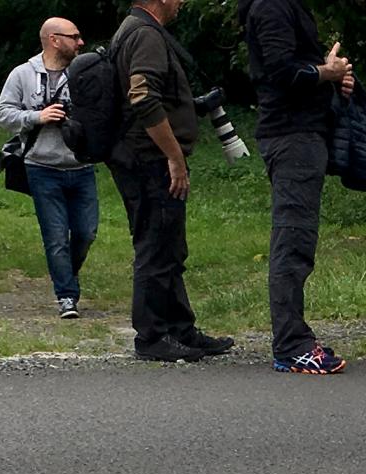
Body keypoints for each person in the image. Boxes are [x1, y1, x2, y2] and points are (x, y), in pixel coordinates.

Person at [109, 0, 235, 362]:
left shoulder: (135, 30)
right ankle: (151, 337)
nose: (182, 2)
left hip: (143, 157)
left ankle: (180, 329)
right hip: (150, 161)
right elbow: (143, 97)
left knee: (170, 247)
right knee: (155, 247)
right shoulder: (145, 34)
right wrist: (174, 157)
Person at [238, 0, 352, 374]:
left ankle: (293, 340)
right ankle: (290, 345)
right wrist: (326, 72)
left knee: (298, 240)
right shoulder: (272, 6)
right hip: (292, 135)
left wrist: (332, 75)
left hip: (301, 133)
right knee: (293, 240)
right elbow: (282, 73)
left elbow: (294, 66)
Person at [0, 18, 98, 320]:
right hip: (41, 166)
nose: (80, 42)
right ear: (54, 39)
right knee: (55, 236)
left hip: (82, 165)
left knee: (86, 232)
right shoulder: (23, 75)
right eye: (74, 37)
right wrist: (38, 117)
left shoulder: (85, 73)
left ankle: (66, 273)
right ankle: (67, 296)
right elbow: (3, 114)